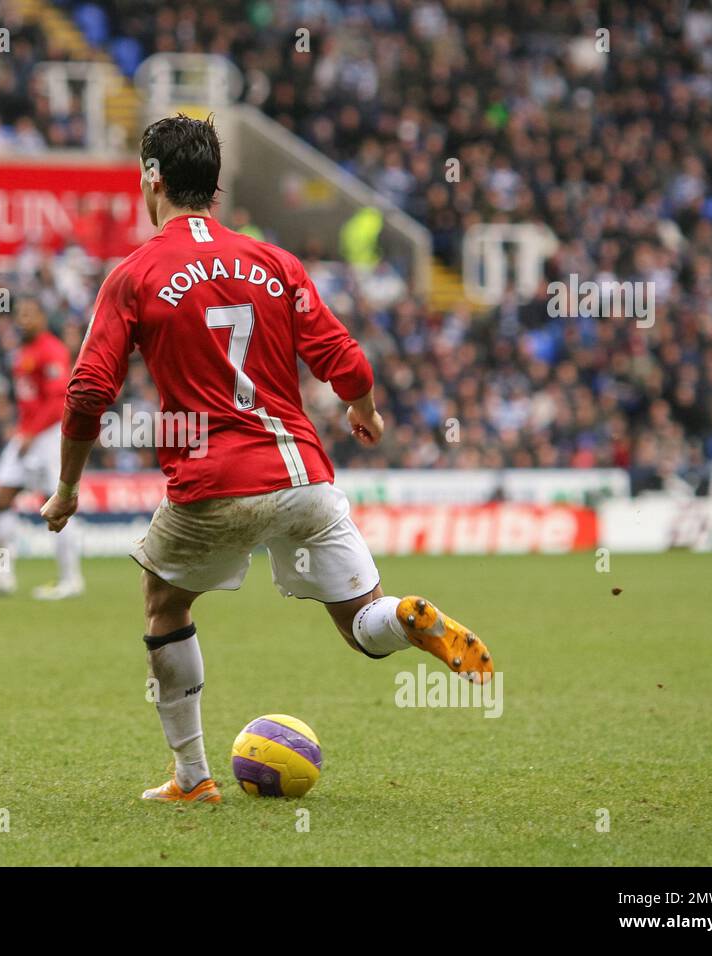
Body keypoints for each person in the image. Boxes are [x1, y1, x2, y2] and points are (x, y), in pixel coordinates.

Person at [39, 115, 494, 803]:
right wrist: (362, 409)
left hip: (211, 480)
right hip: (303, 474)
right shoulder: (273, 262)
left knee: (165, 603)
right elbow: (346, 359)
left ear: (152, 179)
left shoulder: (134, 274)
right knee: (361, 625)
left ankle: (192, 779)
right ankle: (404, 615)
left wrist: (68, 486)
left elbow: (88, 391)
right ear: (216, 189)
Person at [0, 296, 85, 600]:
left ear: (43, 317)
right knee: (1, 499)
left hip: (46, 436)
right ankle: (2, 576)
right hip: (26, 435)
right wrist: (23, 430)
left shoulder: (52, 350)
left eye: (29, 314)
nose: (23, 319)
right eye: (19, 314)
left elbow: (59, 400)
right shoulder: (23, 351)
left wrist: (31, 432)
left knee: (55, 506)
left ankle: (70, 579)